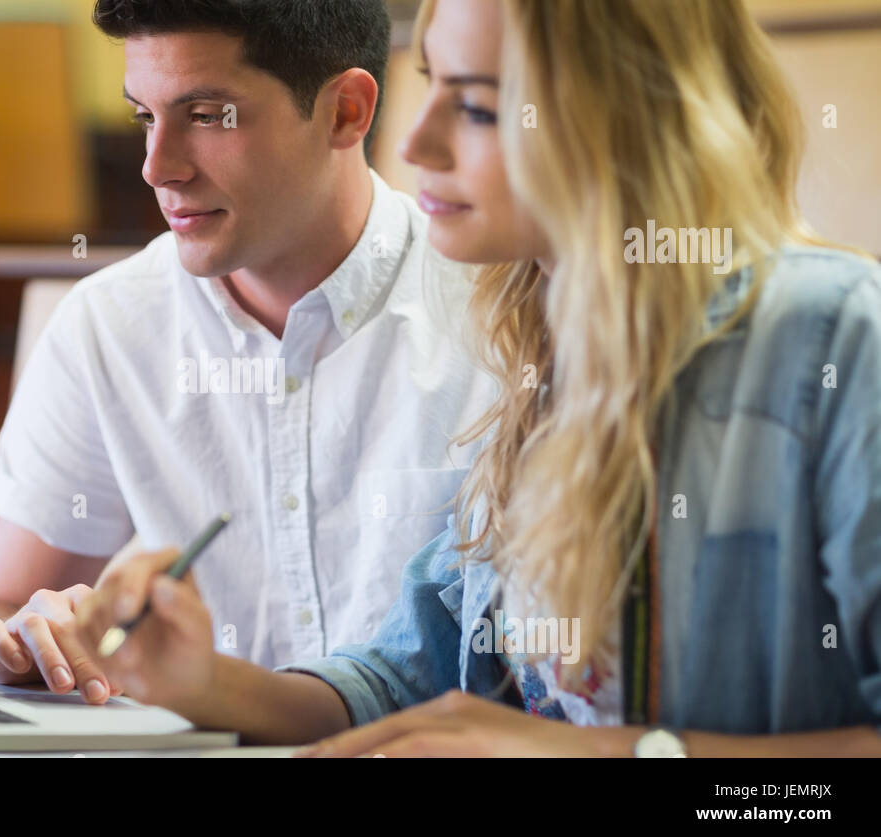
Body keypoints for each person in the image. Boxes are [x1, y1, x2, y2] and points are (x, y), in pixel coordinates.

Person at [74, 0, 881, 756]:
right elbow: (401, 682)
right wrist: (199, 681)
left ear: (627, 121)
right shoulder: (550, 357)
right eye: (433, 86)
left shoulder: (831, 337)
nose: (416, 143)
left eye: (481, 106)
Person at [0, 0, 496, 704]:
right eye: (145, 117)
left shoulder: (500, 315)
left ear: (346, 112)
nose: (156, 168)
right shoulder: (107, 326)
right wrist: (14, 645)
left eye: (206, 116)